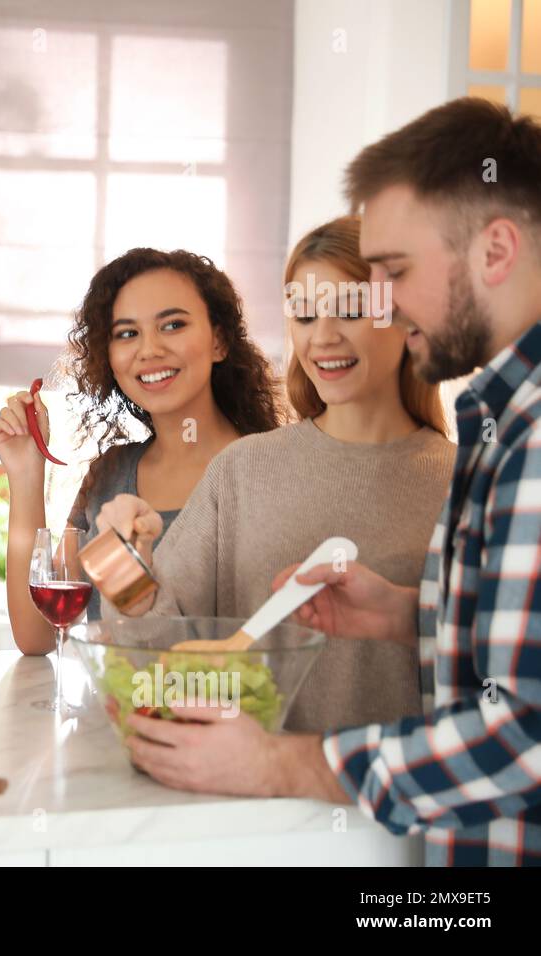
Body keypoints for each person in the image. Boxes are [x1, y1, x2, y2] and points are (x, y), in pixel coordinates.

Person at [121, 98, 541, 866]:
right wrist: (407, 617)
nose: (376, 308)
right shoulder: (499, 428)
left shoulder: (509, 443)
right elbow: (508, 665)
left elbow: (523, 735)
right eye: (307, 313)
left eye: (391, 279)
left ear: (496, 250)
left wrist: (282, 762)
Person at [96, 216, 454, 730]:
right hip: (248, 794)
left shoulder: (465, 483)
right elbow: (151, 649)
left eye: (350, 310)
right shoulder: (243, 469)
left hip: (391, 800)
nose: (323, 338)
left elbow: (496, 672)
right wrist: (122, 563)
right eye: (305, 317)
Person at [0, 249, 281, 655]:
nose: (149, 350)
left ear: (219, 341)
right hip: (113, 716)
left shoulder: (270, 472)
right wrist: (26, 475)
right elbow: (38, 636)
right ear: (108, 357)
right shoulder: (111, 471)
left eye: (173, 325)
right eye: (127, 333)